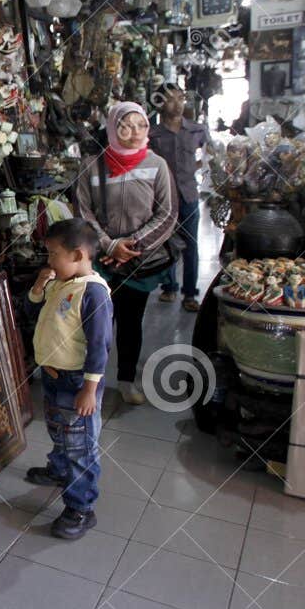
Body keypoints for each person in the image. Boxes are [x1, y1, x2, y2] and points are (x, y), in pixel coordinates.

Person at [72, 101, 177, 405]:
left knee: (130, 321)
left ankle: (126, 379)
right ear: (112, 127)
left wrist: (131, 246)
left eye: (141, 125)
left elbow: (167, 214)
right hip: (101, 260)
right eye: (126, 125)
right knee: (95, 321)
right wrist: (108, 245)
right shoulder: (92, 165)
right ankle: (89, 381)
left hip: (138, 261)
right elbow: (83, 211)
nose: (134, 132)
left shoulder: (157, 165)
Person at [21, 218, 113, 540]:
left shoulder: (93, 294)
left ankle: (81, 509)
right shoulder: (61, 283)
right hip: (53, 376)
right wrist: (37, 287)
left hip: (77, 382)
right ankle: (58, 470)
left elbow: (99, 347)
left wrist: (89, 390)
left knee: (80, 447)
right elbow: (35, 312)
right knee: (59, 430)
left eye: (53, 255)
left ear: (77, 255)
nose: (49, 262)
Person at [148, 87, 209, 312]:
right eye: (171, 100)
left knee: (191, 246)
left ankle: (190, 295)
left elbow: (211, 153)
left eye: (181, 98)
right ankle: (169, 287)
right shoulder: (152, 134)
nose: (178, 104)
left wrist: (198, 167)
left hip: (189, 195)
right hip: (162, 198)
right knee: (166, 243)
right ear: (160, 103)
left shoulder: (196, 130)